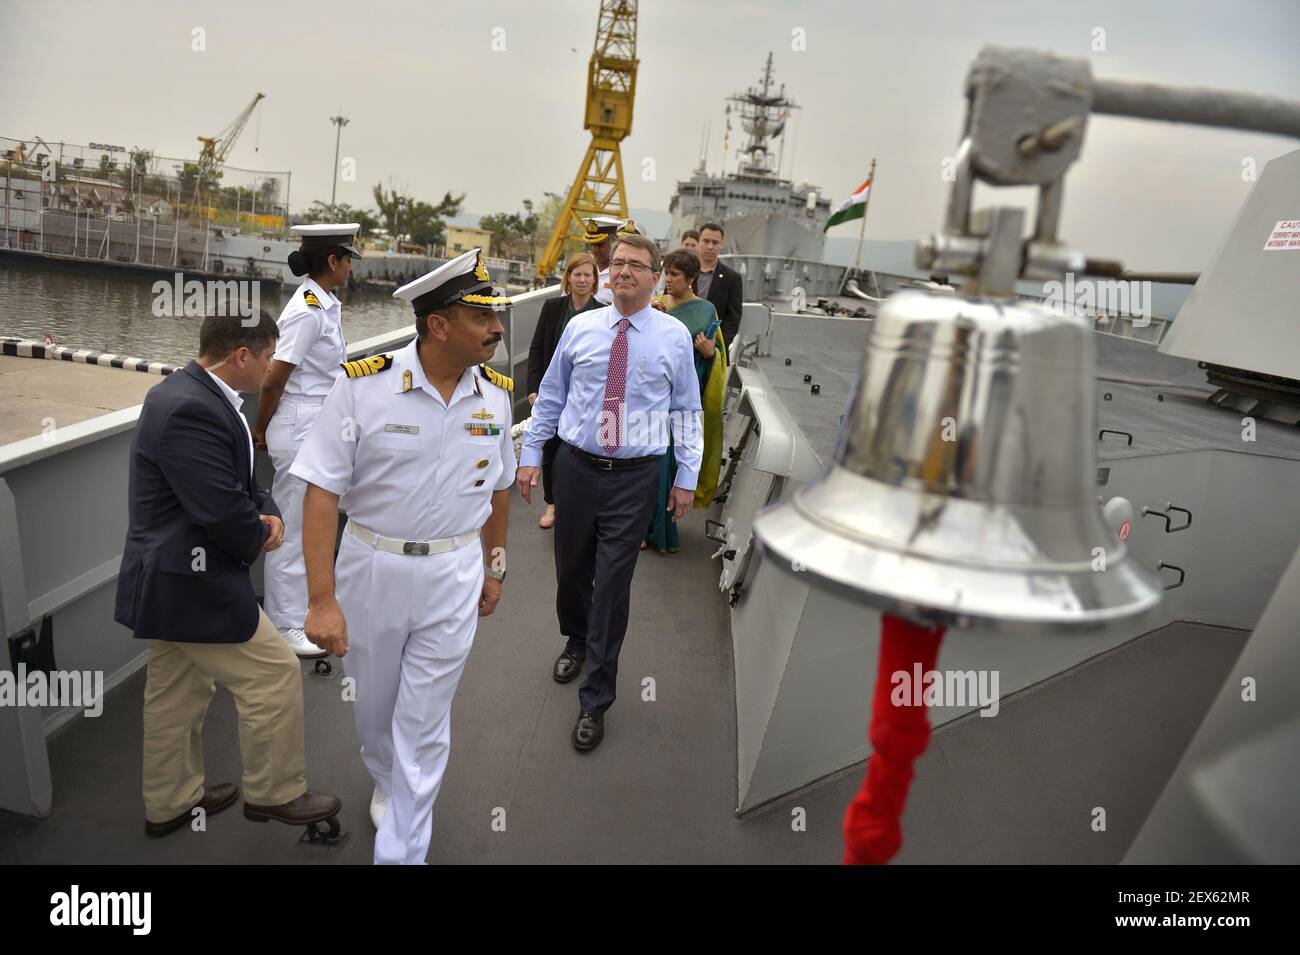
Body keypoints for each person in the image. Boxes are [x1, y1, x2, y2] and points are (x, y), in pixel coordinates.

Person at [293, 248, 514, 865]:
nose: (497, 327)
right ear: (438, 325)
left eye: (495, 314)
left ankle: (401, 850)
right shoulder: (363, 387)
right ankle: (387, 783)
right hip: (371, 568)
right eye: (481, 316)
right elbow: (320, 491)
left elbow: (499, 488)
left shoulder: (496, 396)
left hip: (453, 572)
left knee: (423, 723)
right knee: (376, 709)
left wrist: (494, 567)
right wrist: (321, 600)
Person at [115, 312, 341, 840]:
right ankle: (276, 792)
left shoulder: (192, 394)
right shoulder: (191, 409)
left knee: (176, 694)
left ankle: (171, 800)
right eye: (267, 358)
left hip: (170, 582)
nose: (270, 369)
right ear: (242, 356)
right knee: (274, 674)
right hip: (189, 584)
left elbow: (239, 481)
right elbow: (218, 508)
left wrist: (267, 508)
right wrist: (259, 533)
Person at [518, 233, 703, 752]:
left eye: (635, 265)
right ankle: (576, 638)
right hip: (576, 470)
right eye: (616, 262)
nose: (622, 271)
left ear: (655, 275)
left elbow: (687, 410)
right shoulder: (579, 328)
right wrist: (532, 455)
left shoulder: (671, 338)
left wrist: (685, 476)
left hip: (636, 475)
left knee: (614, 584)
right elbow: (551, 397)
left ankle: (595, 699)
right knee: (572, 568)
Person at [254, 223, 361, 660]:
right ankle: (284, 624)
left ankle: (310, 609)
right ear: (333, 262)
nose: (352, 266)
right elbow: (273, 380)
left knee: (316, 521)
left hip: (318, 430)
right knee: (294, 530)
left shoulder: (326, 305)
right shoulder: (306, 311)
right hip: (298, 431)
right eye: (348, 258)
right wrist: (260, 429)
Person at [646, 249, 728, 553]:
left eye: (675, 275)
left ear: (691, 278)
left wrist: (710, 353)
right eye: (666, 273)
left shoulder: (705, 311)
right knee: (649, 462)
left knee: (670, 462)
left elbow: (718, 356)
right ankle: (644, 526)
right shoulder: (656, 306)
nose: (668, 280)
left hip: (681, 398)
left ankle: (661, 528)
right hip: (652, 396)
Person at [526, 253, 602, 529]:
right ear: (568, 277)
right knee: (551, 448)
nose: (582, 280)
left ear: (595, 280)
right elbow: (536, 349)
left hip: (584, 397)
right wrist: (534, 389)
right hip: (554, 392)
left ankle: (579, 506)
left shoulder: (601, 313)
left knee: (579, 451)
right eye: (577, 274)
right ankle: (552, 504)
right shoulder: (553, 307)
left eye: (588, 275)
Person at [694, 222, 744, 351]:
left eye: (715, 243)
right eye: (706, 241)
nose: (710, 247)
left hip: (713, 350)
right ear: (698, 242)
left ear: (720, 245)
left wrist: (718, 347)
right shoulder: (685, 272)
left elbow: (733, 318)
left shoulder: (732, 279)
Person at [582, 215, 621, 305]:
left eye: (600, 245)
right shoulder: (581, 267)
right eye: (592, 244)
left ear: (614, 241)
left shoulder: (623, 272)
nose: (595, 249)